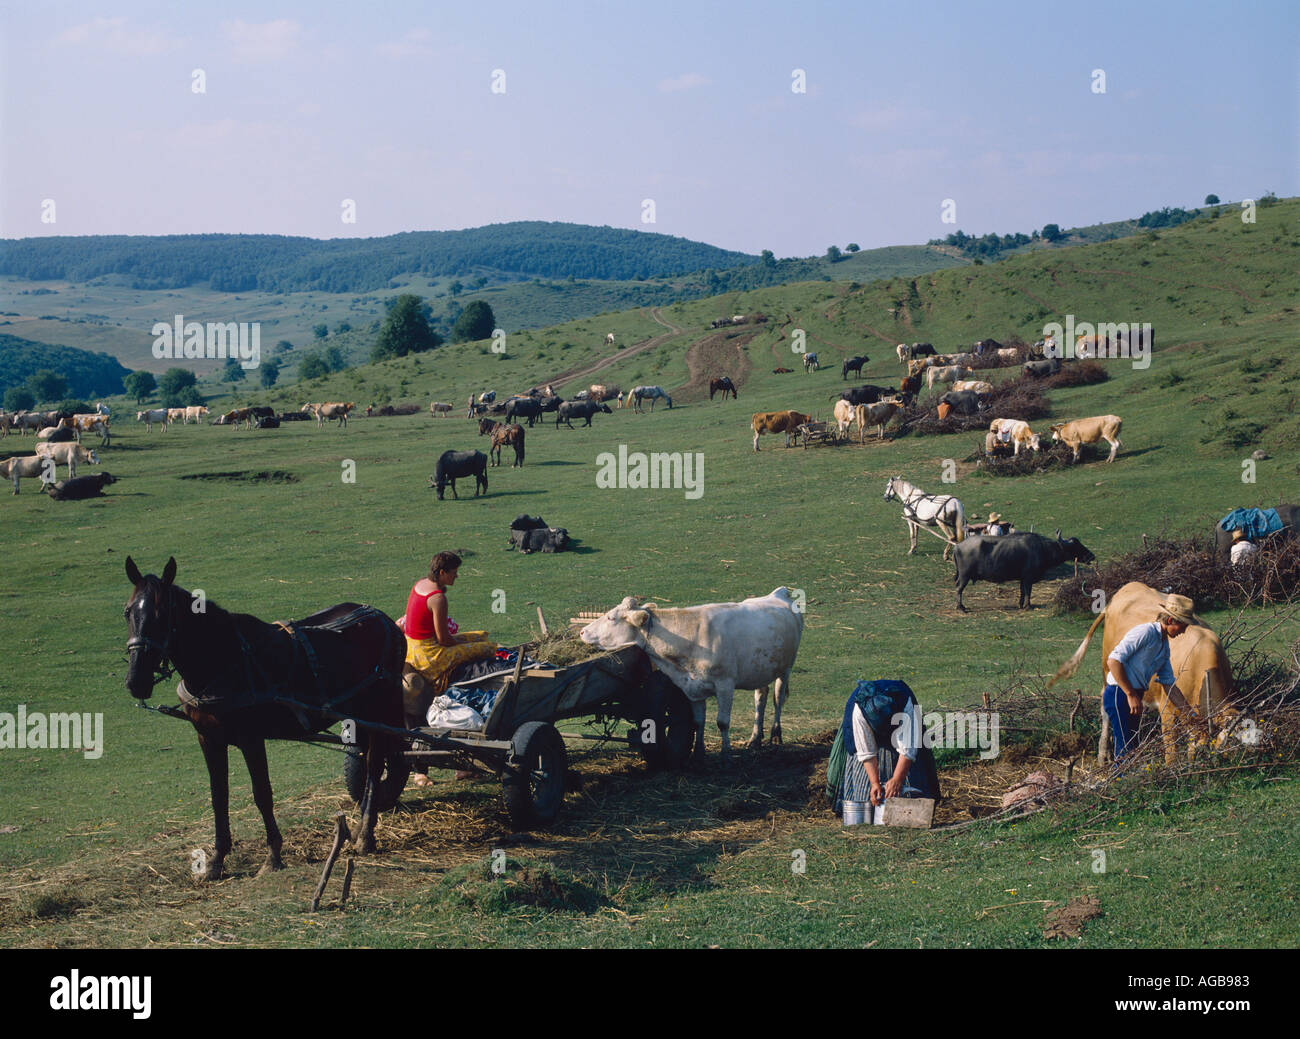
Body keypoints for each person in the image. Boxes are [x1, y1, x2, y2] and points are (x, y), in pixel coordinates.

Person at [402, 552, 498, 785]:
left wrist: (466, 639)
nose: (457, 576)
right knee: (486, 647)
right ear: (443, 572)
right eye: (454, 572)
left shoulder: (420, 585)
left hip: (411, 648)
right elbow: (444, 640)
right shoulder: (437, 598)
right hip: (430, 654)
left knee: (477, 637)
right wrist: (467, 644)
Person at [1103, 593, 1198, 763]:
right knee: (1126, 749)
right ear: (1170, 621)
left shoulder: (1163, 645)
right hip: (1119, 693)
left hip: (1134, 695)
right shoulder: (1145, 632)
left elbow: (1169, 684)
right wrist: (1130, 694)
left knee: (1131, 746)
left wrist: (1189, 714)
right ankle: (1121, 785)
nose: (1184, 631)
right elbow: (1113, 661)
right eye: (1183, 626)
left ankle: (1123, 784)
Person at [828, 679, 941, 815]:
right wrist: (875, 783)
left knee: (909, 788)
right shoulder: (860, 711)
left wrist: (897, 780)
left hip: (900, 715)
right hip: (862, 718)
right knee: (864, 798)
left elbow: (908, 750)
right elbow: (866, 751)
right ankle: (867, 802)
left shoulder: (905, 706)